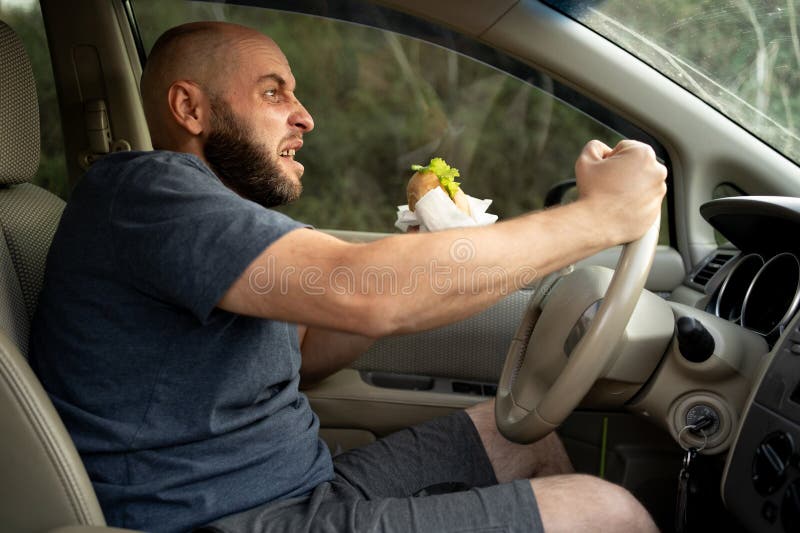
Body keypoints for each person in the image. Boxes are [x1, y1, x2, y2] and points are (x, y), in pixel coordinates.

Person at [29, 21, 666, 533]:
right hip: (223, 518)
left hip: (305, 488)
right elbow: (360, 289)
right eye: (273, 92)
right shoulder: (147, 190)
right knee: (609, 513)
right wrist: (600, 216)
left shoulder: (215, 221)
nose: (303, 116)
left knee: (521, 434)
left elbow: (302, 357)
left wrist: (414, 255)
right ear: (190, 107)